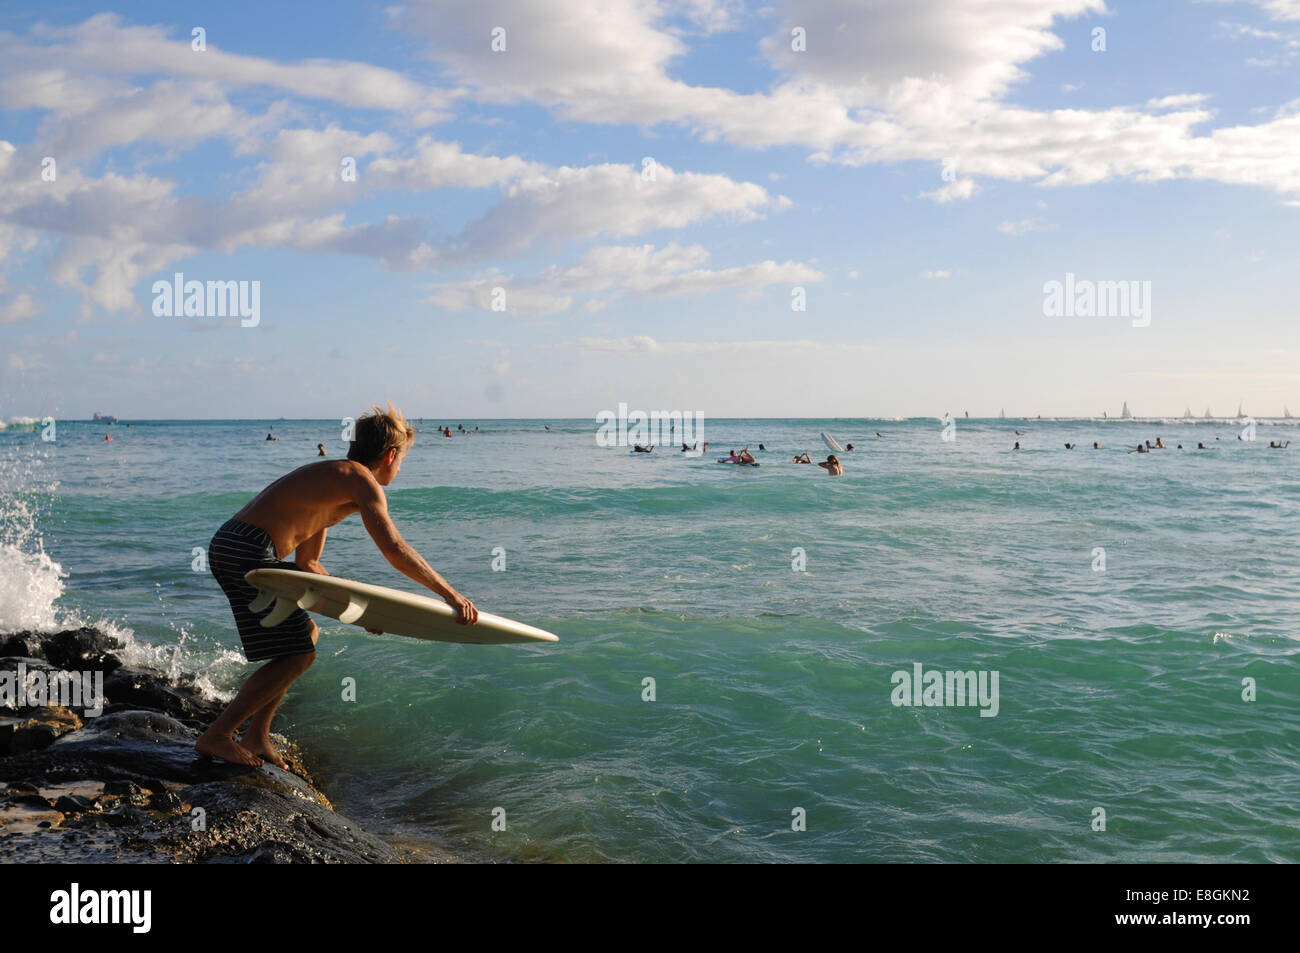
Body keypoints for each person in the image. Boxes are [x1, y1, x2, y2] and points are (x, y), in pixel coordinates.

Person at [201, 403, 478, 768]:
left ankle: (256, 736)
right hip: (248, 548)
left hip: (234, 543)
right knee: (299, 654)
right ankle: (218, 735)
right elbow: (394, 549)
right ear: (391, 455)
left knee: (305, 638)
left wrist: (360, 613)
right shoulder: (360, 481)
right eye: (403, 460)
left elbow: (308, 564)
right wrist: (450, 594)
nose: (400, 467)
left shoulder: (333, 479)